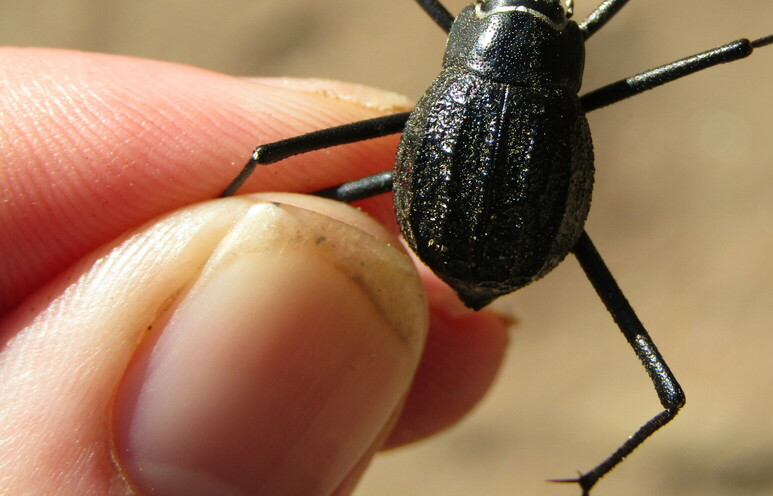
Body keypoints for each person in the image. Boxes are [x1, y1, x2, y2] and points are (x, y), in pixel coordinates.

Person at [0, 47, 508, 496]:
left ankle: (235, 223)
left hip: (447, 223)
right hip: (518, 246)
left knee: (274, 164)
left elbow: (262, 157)